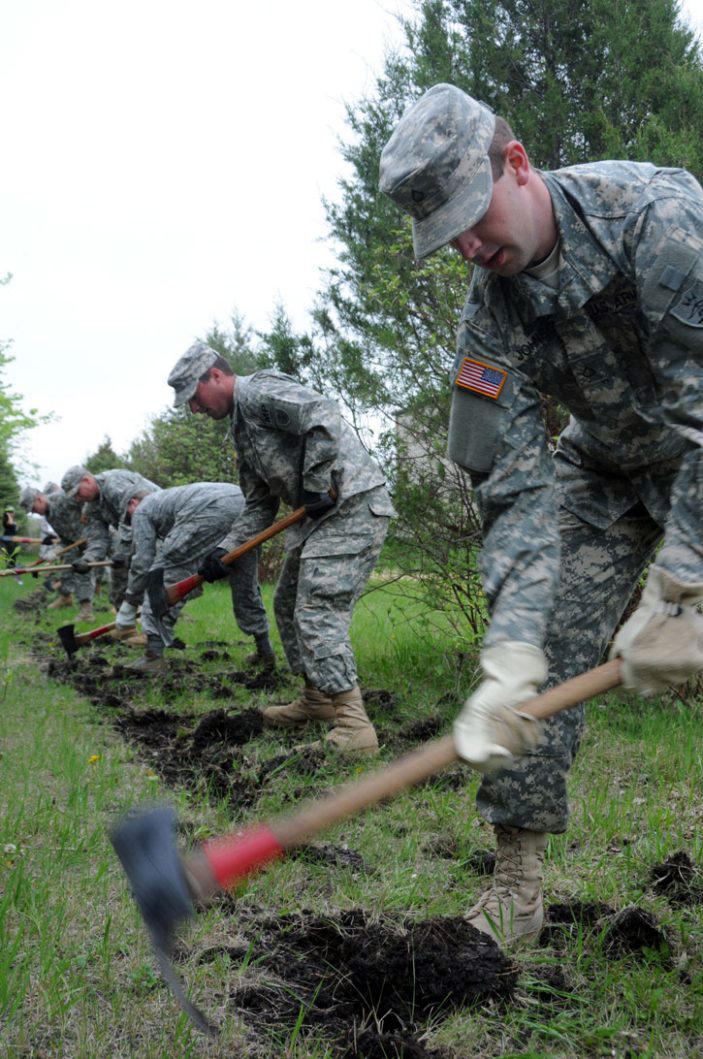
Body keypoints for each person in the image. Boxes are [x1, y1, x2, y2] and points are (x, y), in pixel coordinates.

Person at [379, 82, 703, 944]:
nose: (469, 249)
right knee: (537, 654)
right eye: (448, 237)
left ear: (516, 165)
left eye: (471, 219)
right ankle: (517, 890)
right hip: (602, 469)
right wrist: (517, 643)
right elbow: (512, 482)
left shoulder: (656, 222)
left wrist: (681, 586)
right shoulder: (491, 309)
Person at [167, 343, 395, 753]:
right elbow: (258, 505)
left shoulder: (257, 392)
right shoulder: (241, 430)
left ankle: (355, 727)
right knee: (287, 602)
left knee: (315, 609)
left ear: (215, 376)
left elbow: (322, 413)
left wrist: (313, 480)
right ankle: (317, 701)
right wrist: (224, 550)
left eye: (194, 398)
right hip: (318, 519)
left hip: (353, 504)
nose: (193, 410)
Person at [116, 482, 274, 674]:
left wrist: (130, 601)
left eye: (128, 515)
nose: (130, 520)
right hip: (246, 504)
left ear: (133, 503)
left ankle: (153, 657)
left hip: (209, 509)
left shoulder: (142, 510)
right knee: (245, 583)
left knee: (161, 575)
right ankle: (265, 651)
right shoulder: (171, 496)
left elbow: (143, 562)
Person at [60, 466, 159, 619]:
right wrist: (89, 560)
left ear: (87, 480)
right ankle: (127, 626)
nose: (77, 499)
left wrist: (124, 552)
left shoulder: (113, 485)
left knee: (152, 575)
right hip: (140, 532)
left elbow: (137, 515)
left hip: (161, 525)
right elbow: (98, 538)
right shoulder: (92, 507)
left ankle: (153, 625)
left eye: (77, 493)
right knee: (119, 574)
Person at [19, 486, 95, 621]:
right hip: (77, 543)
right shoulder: (49, 516)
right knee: (74, 570)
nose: (35, 513)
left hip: (97, 536)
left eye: (34, 508)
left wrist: (86, 513)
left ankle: (133, 607)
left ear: (39, 499)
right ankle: (84, 612)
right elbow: (65, 538)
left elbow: (90, 499)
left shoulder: (62, 498)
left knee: (120, 569)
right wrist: (56, 550)